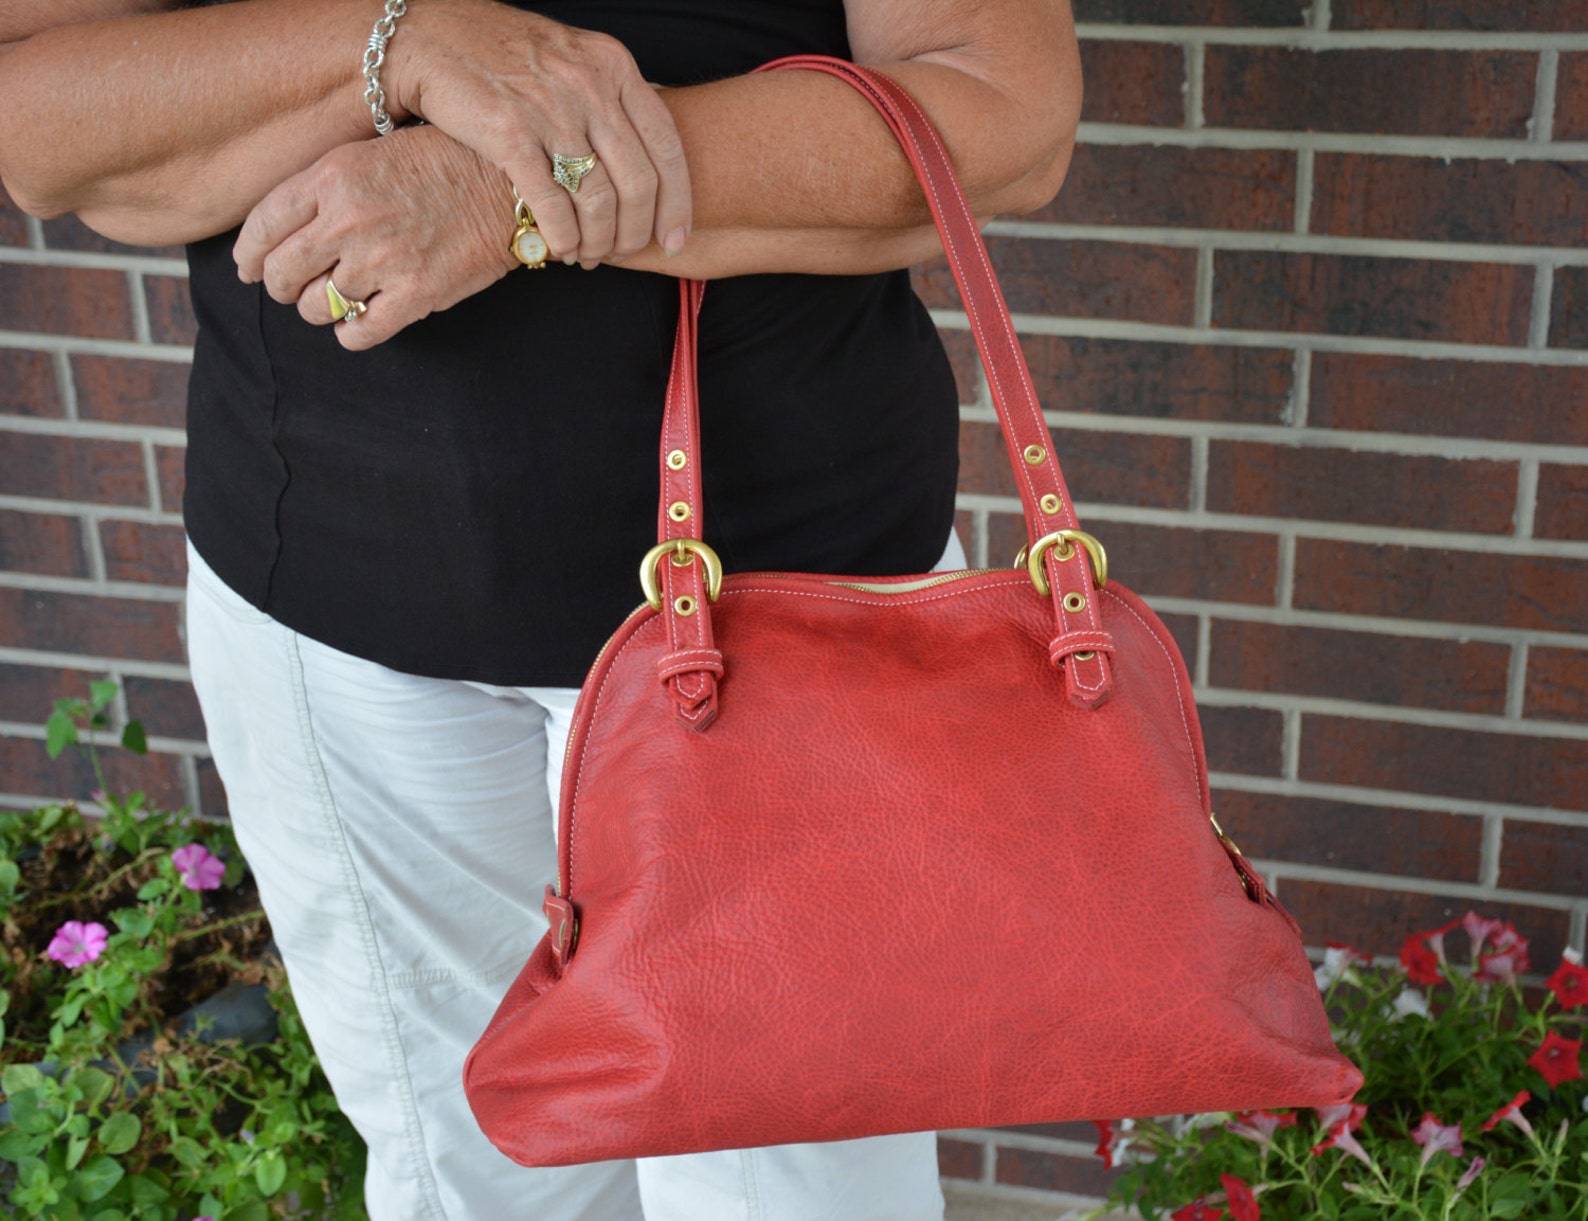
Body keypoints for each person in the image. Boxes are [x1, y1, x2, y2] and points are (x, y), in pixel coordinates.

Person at [0, 2, 1082, 1216]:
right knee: (469, 1169)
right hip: (335, 620)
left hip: (790, 619)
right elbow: (48, 126)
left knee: (793, 1184)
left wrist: (507, 190)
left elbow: (1002, 112)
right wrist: (405, 46)